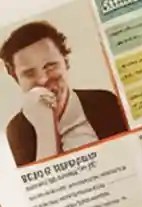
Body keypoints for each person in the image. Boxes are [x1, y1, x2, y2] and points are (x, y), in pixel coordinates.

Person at [2, 21, 128, 166]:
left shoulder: (105, 102)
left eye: (50, 66)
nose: (43, 80)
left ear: (65, 62)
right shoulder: (17, 131)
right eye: (29, 73)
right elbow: (44, 186)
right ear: (16, 78)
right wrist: (45, 127)